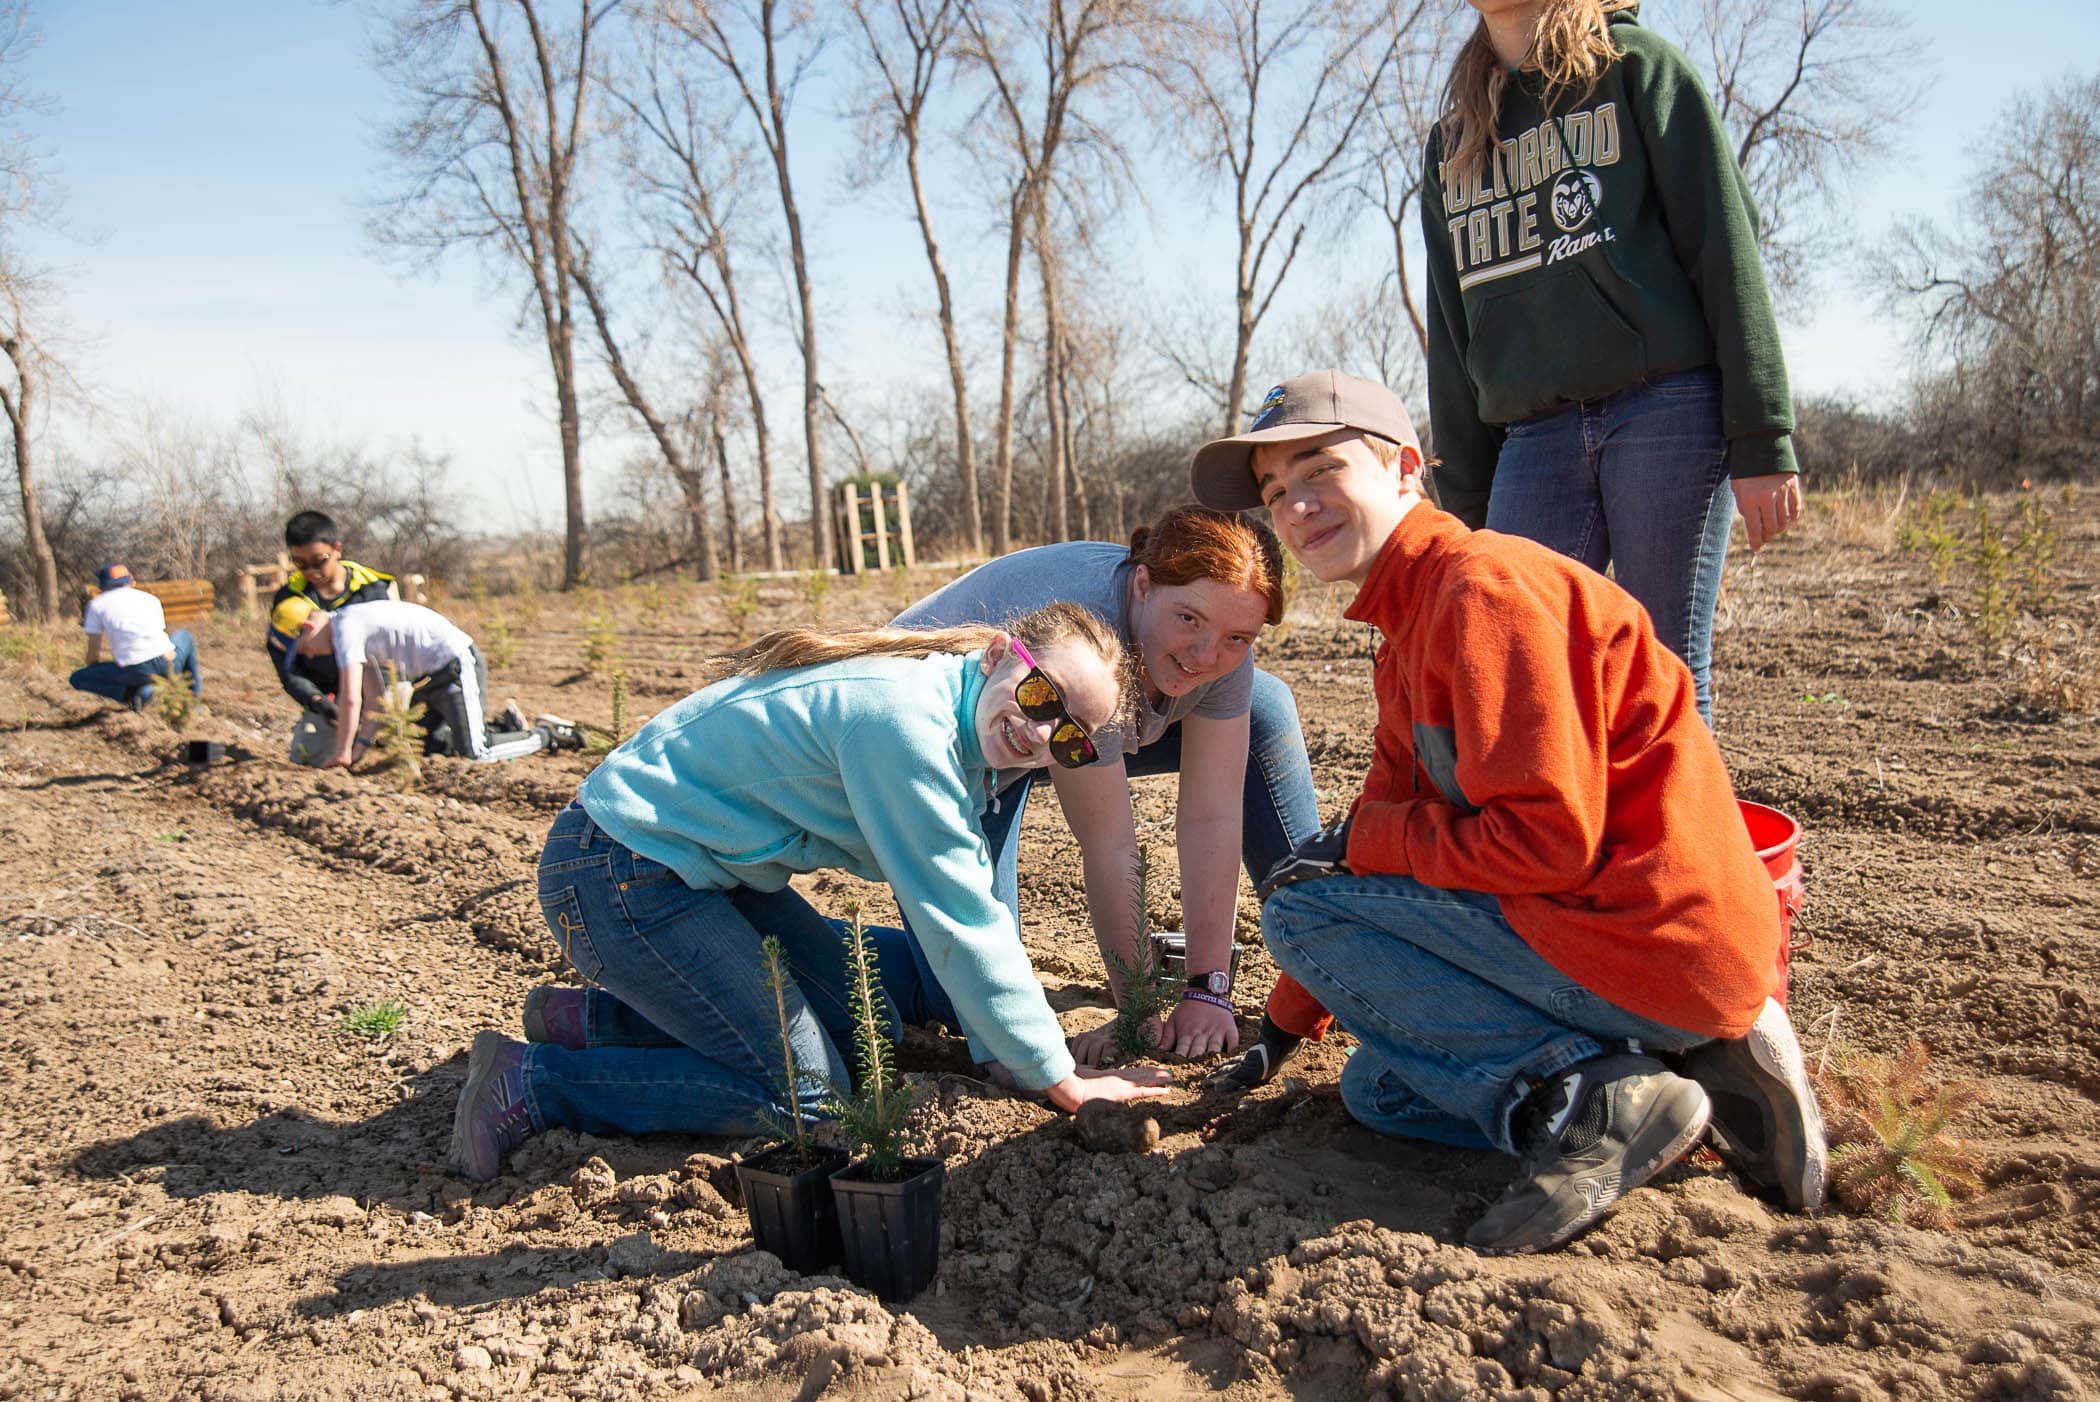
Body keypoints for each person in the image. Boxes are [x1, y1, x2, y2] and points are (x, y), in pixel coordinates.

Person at [1190, 368, 1825, 1254]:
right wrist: (1278, 1033)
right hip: (1604, 941)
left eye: (1320, 469)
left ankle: (1601, 1093)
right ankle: (1688, 1079)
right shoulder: (1410, 627)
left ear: (1404, 466)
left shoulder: (1485, 592)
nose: (1296, 506)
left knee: (1297, 909)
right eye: (1275, 492)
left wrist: (1359, 845)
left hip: (1652, 938)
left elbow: (1547, 843)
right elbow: (1382, 826)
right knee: (1381, 1087)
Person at [448, 604, 1172, 1180]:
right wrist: (1057, 1075)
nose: (1043, 734)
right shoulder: (906, 727)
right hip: (618, 875)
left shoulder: (956, 708)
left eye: (1073, 739)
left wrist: (1009, 1053)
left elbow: (965, 909)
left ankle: (591, 1023)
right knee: (808, 1102)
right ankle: (535, 1082)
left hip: (701, 871)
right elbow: (958, 919)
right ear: (998, 656)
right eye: (1042, 698)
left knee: (870, 1034)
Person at [1422, 0, 1801, 721]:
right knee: (1521, 672)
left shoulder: (1638, 69)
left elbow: (1725, 245)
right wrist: (1467, 501)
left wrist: (1762, 433)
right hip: (1532, 436)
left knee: (1662, 674)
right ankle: (1568, 838)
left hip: (1667, 409)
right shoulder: (1453, 140)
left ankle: (1681, 839)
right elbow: (1452, 324)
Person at [893, 505, 1316, 1063]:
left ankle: (1325, 945)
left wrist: (1206, 989)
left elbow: (1210, 816)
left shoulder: (1223, 635)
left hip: (1054, 728)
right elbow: (1108, 841)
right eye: (1187, 619)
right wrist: (1137, 1010)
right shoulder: (1092, 645)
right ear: (1143, 584)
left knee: (1263, 706)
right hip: (960, 735)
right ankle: (793, 952)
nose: (1206, 654)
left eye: (1238, 636)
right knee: (971, 998)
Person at [272, 596, 552, 765]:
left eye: (303, 649)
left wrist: (342, 752)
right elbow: (375, 701)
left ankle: (548, 735)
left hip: (455, 663)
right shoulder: (353, 629)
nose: (309, 656)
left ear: (308, 628)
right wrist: (360, 749)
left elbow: (350, 698)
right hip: (432, 678)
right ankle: (506, 726)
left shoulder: (345, 629)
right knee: (435, 746)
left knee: (477, 752)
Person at [264, 511, 397, 723]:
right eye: (301, 564)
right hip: (328, 702)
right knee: (311, 755)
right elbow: (285, 662)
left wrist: (373, 704)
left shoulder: (371, 592)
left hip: (380, 696)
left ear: (337, 549)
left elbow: (393, 655)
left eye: (319, 561)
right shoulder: (289, 600)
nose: (312, 572)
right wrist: (315, 699)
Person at [68, 563, 204, 711]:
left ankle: (134, 694)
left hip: (132, 670)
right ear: (131, 581)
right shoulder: (151, 599)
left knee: (77, 678)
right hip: (166, 662)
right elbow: (161, 637)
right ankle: (192, 700)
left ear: (102, 586)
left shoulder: (96, 605)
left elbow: (93, 656)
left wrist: (101, 670)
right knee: (184, 635)